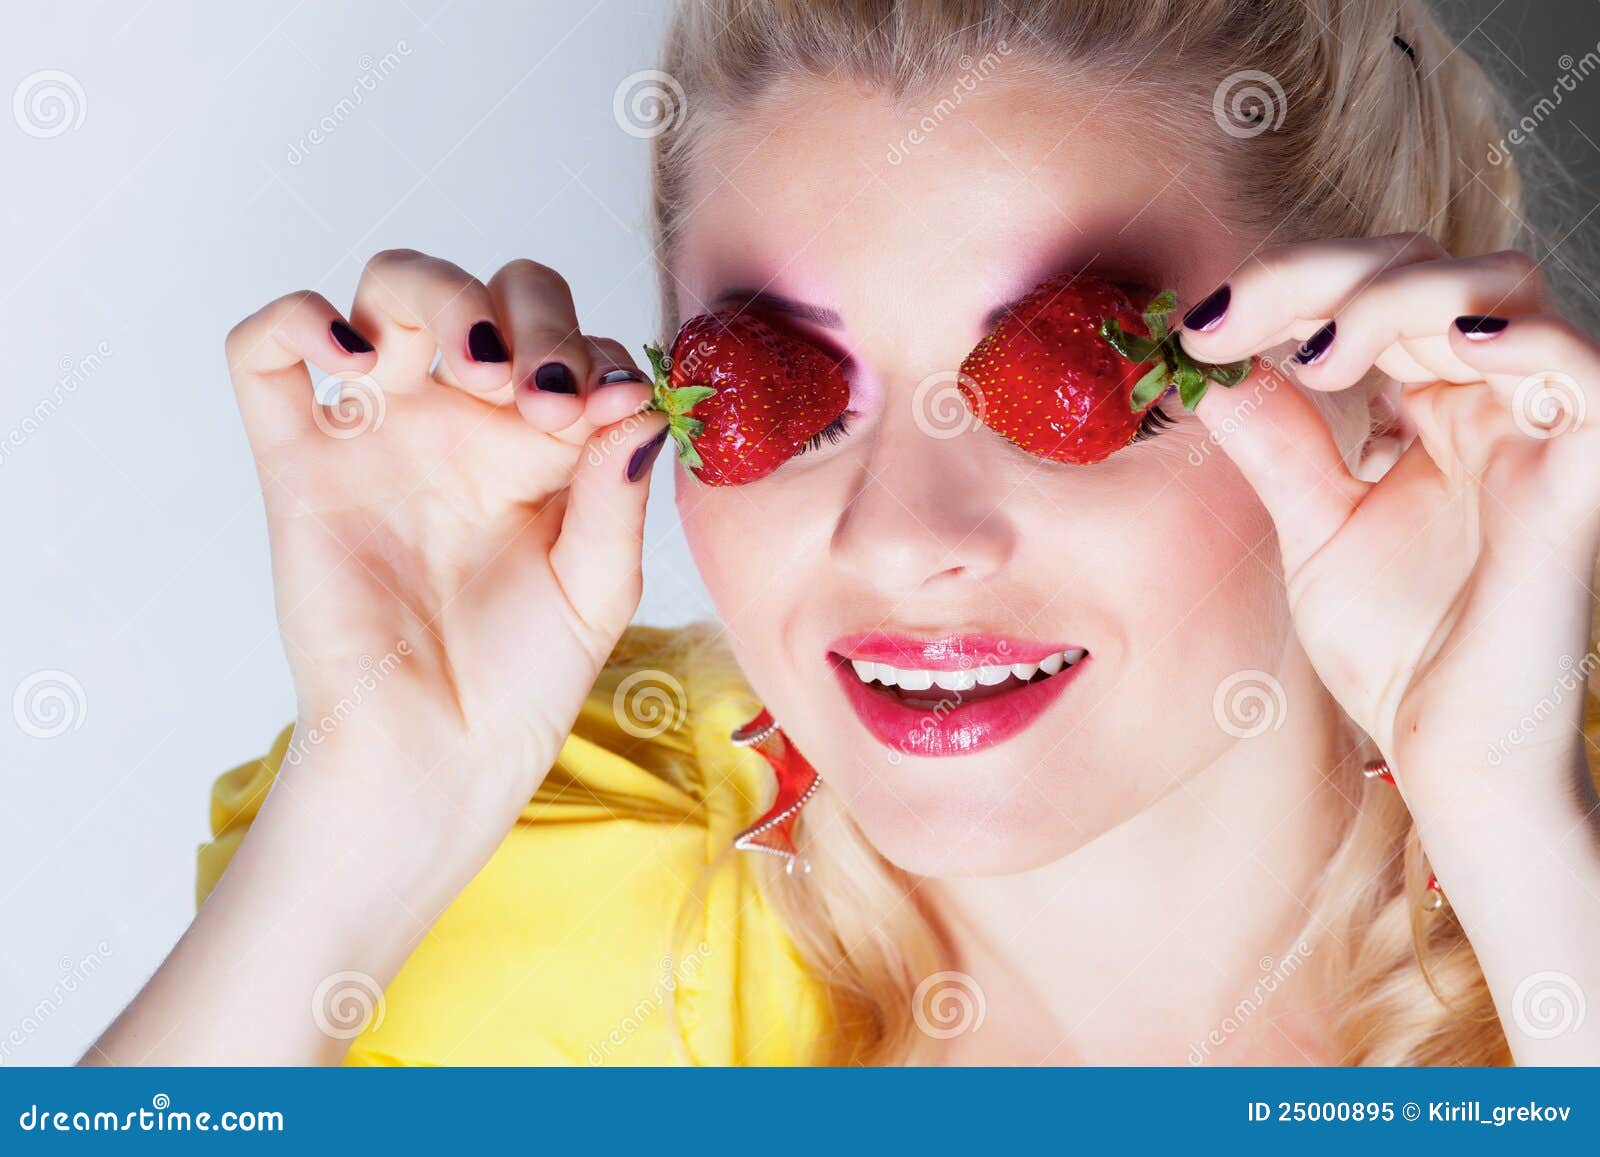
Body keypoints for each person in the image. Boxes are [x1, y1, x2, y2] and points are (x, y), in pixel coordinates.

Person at [90, 0, 1600, 1066]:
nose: (899, 536)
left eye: (1074, 385)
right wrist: (376, 815)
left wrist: (1514, 832)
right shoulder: (548, 895)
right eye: (784, 395)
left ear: (1387, 393)